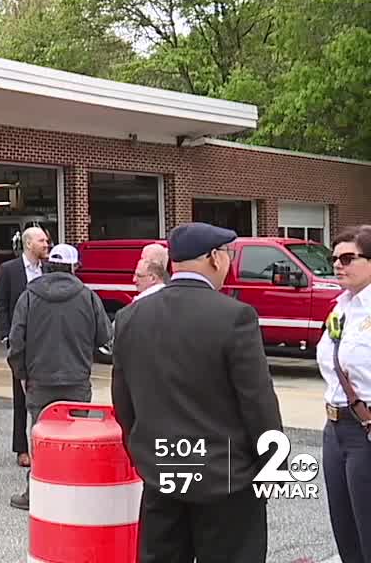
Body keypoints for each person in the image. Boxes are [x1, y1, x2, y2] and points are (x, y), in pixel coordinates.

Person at [111, 223, 282, 563]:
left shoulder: (131, 317)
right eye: (228, 255)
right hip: (227, 479)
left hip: (164, 472)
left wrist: (145, 456)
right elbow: (257, 403)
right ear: (214, 258)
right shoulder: (234, 316)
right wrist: (271, 464)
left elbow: (124, 401)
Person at [6, 243, 112, 510]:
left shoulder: (29, 296)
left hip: (39, 381)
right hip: (76, 381)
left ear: (49, 265)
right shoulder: (88, 297)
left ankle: (36, 493)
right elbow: (104, 338)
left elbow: (16, 342)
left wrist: (21, 374)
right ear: (73, 267)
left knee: (41, 438)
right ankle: (73, 493)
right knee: (75, 440)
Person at [318, 225, 371, 563]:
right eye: (334, 257)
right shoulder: (340, 307)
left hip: (365, 430)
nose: (338, 264)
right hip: (335, 429)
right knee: (346, 530)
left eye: (348, 258)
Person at [0, 226, 50, 469]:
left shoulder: (47, 270)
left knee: (47, 397)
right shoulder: (10, 270)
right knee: (21, 398)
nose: (46, 244)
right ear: (29, 244)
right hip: (21, 343)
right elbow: (1, 305)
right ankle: (21, 448)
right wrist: (7, 337)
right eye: (42, 241)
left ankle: (46, 445)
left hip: (46, 342)